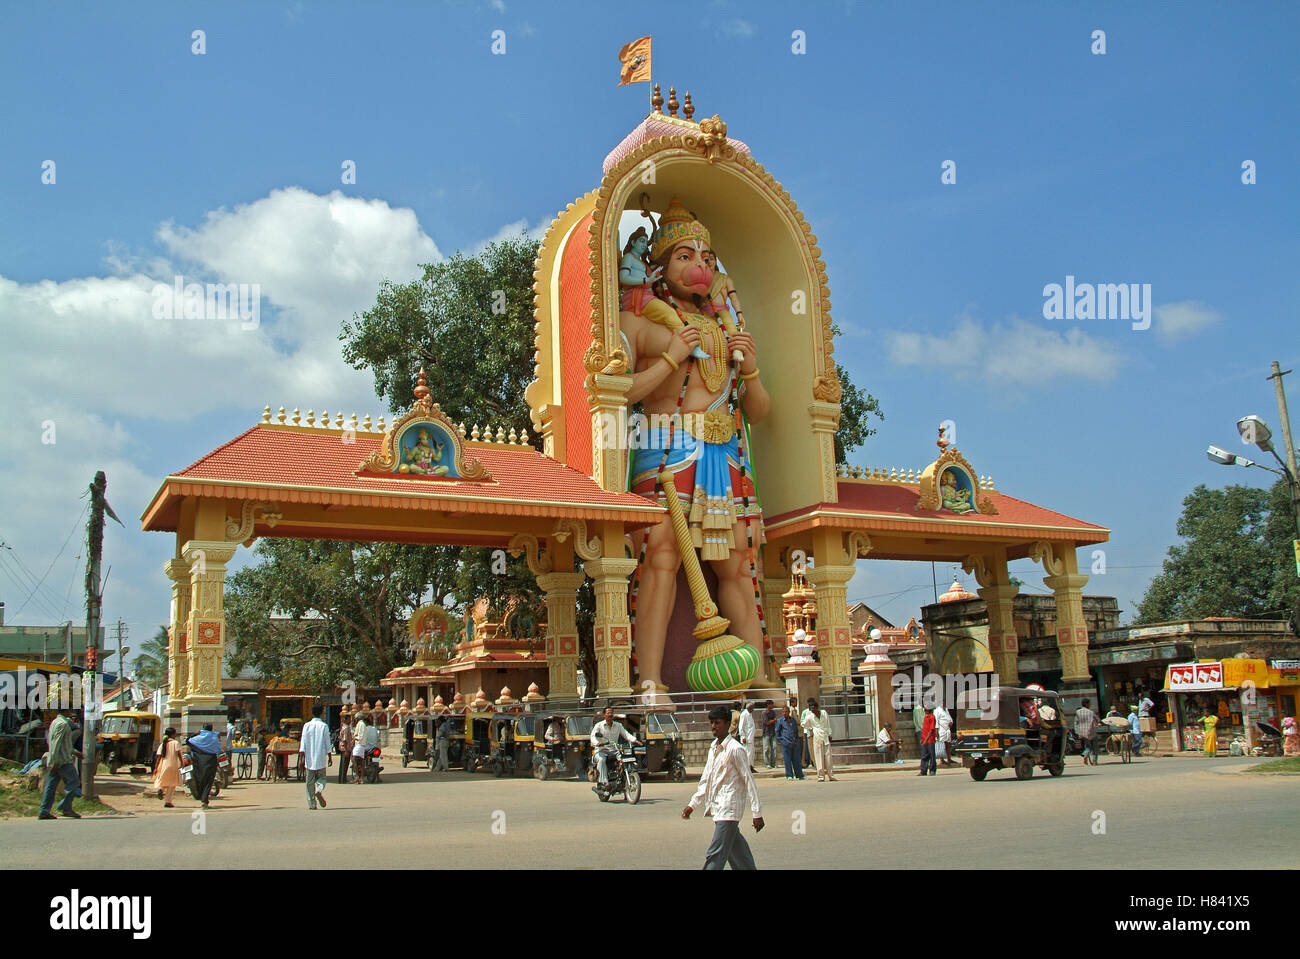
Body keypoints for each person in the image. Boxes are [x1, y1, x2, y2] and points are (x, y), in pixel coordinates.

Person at [623, 198, 770, 697]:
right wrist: (671, 357)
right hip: (664, 445)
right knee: (661, 557)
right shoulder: (640, 322)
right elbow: (619, 394)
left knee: (736, 564)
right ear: (659, 267)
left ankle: (755, 679)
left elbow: (762, 410)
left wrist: (747, 368)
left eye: (707, 258)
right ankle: (649, 680)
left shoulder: (730, 331)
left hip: (725, 451)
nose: (699, 267)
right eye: (685, 256)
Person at [682, 705, 764, 870]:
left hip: (729, 809)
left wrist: (757, 813)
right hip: (718, 808)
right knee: (740, 856)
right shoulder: (714, 748)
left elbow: (749, 781)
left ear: (727, 724)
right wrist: (693, 804)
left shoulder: (735, 749)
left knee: (715, 854)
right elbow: (707, 779)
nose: (713, 726)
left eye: (717, 723)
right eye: (712, 723)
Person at [38, 708, 83, 820]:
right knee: (74, 782)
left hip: (57, 759)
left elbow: (64, 743)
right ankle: (65, 807)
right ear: (67, 711)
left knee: (51, 786)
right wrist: (55, 761)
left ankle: (44, 811)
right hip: (62, 761)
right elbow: (56, 743)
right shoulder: (63, 724)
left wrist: (76, 753)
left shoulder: (55, 722)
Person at [590, 707, 638, 790]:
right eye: (608, 713)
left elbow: (626, 734)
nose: (610, 715)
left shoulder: (618, 725)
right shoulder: (599, 725)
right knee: (601, 760)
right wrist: (597, 743)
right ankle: (604, 781)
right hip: (601, 750)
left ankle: (624, 778)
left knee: (624, 758)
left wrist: (635, 740)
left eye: (611, 713)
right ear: (604, 715)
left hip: (615, 750)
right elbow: (593, 736)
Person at [299, 703, 331, 810]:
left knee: (309, 782)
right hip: (320, 758)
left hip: (309, 759)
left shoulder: (306, 726)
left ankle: (312, 804)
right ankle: (319, 790)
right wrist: (330, 756)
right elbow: (327, 742)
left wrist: (301, 758)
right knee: (322, 778)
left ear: (312, 713)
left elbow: (303, 743)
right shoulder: (324, 726)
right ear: (322, 713)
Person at [186, 723, 223, 808]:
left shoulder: (197, 738)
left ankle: (199, 796)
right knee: (209, 781)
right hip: (211, 760)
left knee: (199, 779)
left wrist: (195, 734)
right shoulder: (214, 738)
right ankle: (205, 800)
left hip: (198, 761)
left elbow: (187, 741)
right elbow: (218, 749)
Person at [801, 698, 835, 782]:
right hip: (817, 737)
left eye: (814, 708)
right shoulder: (810, 717)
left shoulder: (824, 713)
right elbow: (803, 724)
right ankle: (821, 776)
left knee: (828, 757)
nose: (813, 710)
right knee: (818, 757)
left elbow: (828, 723)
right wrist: (811, 728)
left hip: (825, 736)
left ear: (817, 707)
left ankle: (831, 775)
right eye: (811, 709)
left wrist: (830, 733)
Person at [774, 705, 805, 780]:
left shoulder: (793, 720)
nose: (784, 713)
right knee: (787, 760)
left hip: (794, 743)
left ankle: (799, 775)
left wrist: (796, 740)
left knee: (796, 760)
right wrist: (781, 740)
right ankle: (789, 775)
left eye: (786, 712)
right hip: (786, 743)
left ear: (788, 712)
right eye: (783, 712)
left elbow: (795, 731)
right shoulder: (780, 721)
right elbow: (777, 732)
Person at [154, 727, 181, 807]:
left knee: (163, 780)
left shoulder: (163, 744)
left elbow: (158, 757)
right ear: (173, 734)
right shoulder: (176, 743)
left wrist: (156, 767)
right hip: (173, 765)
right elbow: (179, 754)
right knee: (171, 784)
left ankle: (161, 789)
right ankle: (168, 802)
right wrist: (182, 763)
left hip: (163, 765)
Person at [1074, 698, 1099, 766]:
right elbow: (1097, 720)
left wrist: (1077, 732)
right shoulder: (1091, 712)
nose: (1090, 704)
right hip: (1091, 732)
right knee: (1095, 747)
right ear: (1086, 704)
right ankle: (1094, 762)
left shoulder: (1078, 712)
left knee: (1087, 747)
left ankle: (1085, 754)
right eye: (1089, 703)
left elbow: (1076, 722)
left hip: (1082, 733)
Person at [934, 702, 954, 767]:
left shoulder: (946, 709)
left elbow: (950, 718)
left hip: (947, 730)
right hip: (941, 730)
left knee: (948, 744)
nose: (943, 704)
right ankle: (941, 760)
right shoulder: (937, 711)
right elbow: (936, 722)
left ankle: (949, 759)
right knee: (942, 746)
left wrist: (951, 722)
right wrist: (936, 732)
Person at [738, 702, 756, 772]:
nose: (753, 709)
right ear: (749, 707)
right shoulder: (744, 714)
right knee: (747, 753)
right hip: (746, 738)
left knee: (751, 753)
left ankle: (751, 767)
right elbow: (741, 727)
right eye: (752, 708)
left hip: (750, 738)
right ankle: (747, 768)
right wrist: (743, 736)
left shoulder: (750, 714)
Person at [336, 715, 354, 784]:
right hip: (345, 748)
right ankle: (343, 779)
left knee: (342, 764)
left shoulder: (343, 727)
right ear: (346, 720)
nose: (350, 721)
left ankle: (341, 778)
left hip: (343, 747)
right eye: (349, 719)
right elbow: (345, 739)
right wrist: (346, 750)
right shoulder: (346, 728)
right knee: (345, 764)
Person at [919, 707, 937, 776]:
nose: (925, 711)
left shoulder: (932, 717)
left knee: (932, 756)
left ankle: (932, 770)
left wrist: (926, 740)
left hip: (930, 740)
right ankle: (923, 771)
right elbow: (924, 729)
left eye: (926, 710)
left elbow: (931, 730)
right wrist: (922, 739)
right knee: (924, 756)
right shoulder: (925, 717)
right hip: (925, 740)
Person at [352, 714, 369, 782]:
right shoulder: (361, 724)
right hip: (361, 744)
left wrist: (355, 738)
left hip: (359, 744)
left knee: (354, 760)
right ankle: (361, 778)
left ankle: (357, 776)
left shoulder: (361, 724)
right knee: (361, 761)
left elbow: (360, 736)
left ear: (357, 718)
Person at [761, 700, 777, 768]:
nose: (773, 706)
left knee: (774, 747)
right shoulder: (764, 713)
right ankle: (767, 763)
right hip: (766, 732)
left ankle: (773, 763)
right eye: (771, 704)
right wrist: (773, 721)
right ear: (768, 705)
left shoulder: (773, 712)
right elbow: (766, 722)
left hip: (773, 732)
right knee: (766, 748)